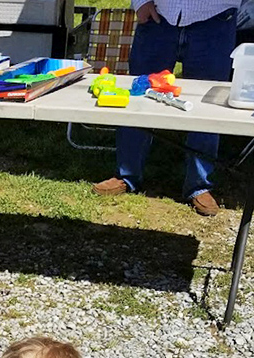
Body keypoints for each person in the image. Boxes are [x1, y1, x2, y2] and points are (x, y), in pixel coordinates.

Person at [93, 1, 239, 216]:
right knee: (139, 95)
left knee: (207, 104)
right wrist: (140, 2)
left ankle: (200, 185)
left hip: (215, 18)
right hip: (158, 18)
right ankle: (127, 175)